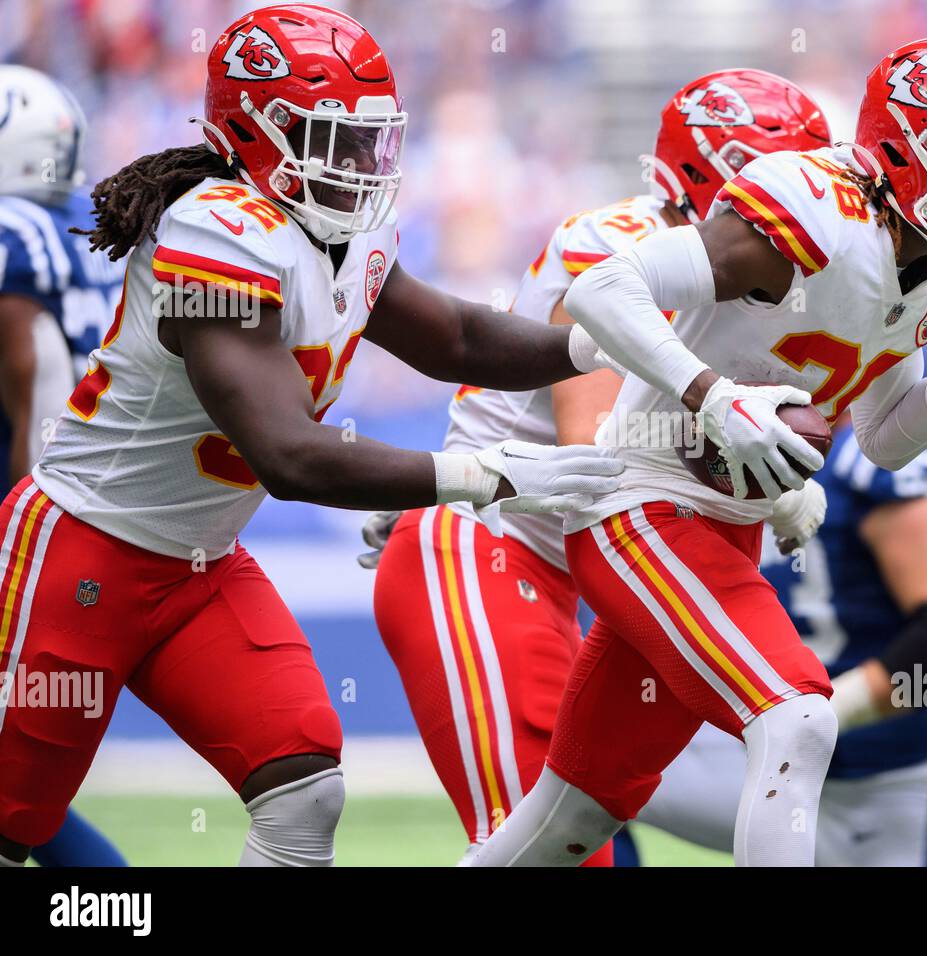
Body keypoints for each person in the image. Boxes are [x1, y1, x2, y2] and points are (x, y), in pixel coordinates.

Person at [0, 4, 622, 869]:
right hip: (85, 552)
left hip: (199, 565)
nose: (362, 165)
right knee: (12, 825)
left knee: (305, 789)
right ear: (257, 132)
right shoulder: (212, 231)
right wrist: (486, 476)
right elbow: (287, 455)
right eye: (337, 139)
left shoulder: (337, 230)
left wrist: (594, 344)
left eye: (372, 140)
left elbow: (459, 339)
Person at [470, 36, 927, 867]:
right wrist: (711, 397)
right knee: (798, 716)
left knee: (569, 820)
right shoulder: (816, 205)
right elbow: (601, 290)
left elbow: (886, 440)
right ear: (912, 152)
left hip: (725, 526)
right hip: (641, 504)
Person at [366, 69, 831, 865]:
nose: (808, 204)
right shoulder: (621, 246)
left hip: (571, 573)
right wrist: (754, 470)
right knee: (563, 855)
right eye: (783, 181)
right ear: (712, 180)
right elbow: (603, 457)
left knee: (581, 836)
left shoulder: (765, 283)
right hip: (489, 548)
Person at [634, 426, 927, 866]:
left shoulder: (877, 450)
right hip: (750, 758)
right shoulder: (699, 438)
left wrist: (809, 722)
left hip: (886, 780)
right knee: (581, 782)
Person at [0, 63, 128, 869]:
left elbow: (37, 380)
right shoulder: (83, 239)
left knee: (16, 802)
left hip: (34, 516)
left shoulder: (16, 239)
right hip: (89, 521)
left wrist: (26, 533)